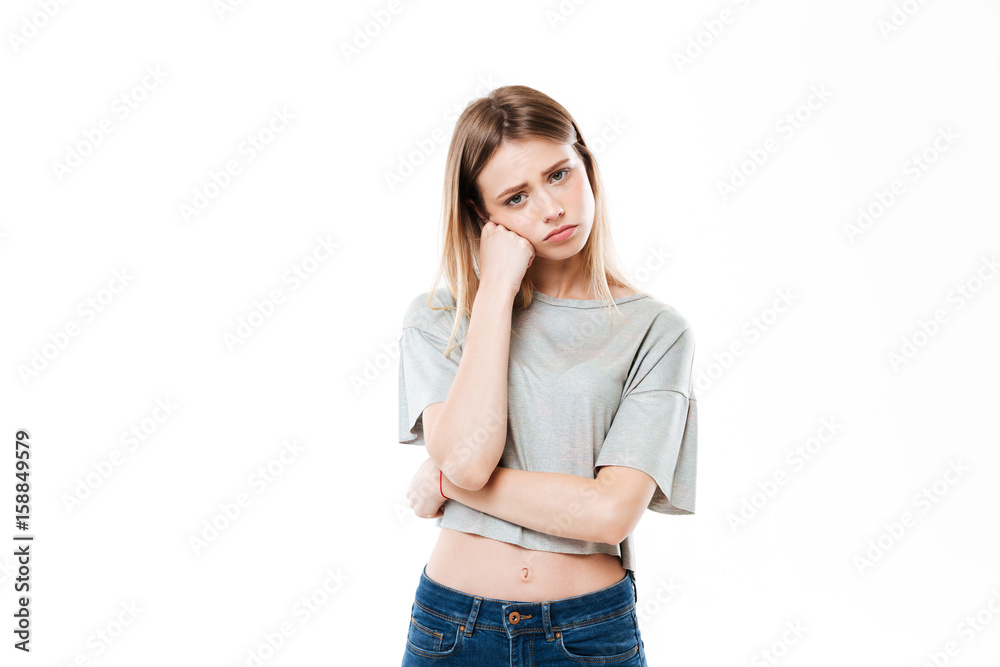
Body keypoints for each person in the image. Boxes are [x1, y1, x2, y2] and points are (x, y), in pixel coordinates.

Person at [398, 84, 697, 666]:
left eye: (558, 174)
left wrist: (445, 486)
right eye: (515, 198)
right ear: (483, 218)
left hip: (588, 637)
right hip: (452, 632)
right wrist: (496, 293)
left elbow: (609, 511)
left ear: (586, 163)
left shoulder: (656, 331)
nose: (550, 208)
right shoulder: (441, 320)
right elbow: (466, 455)